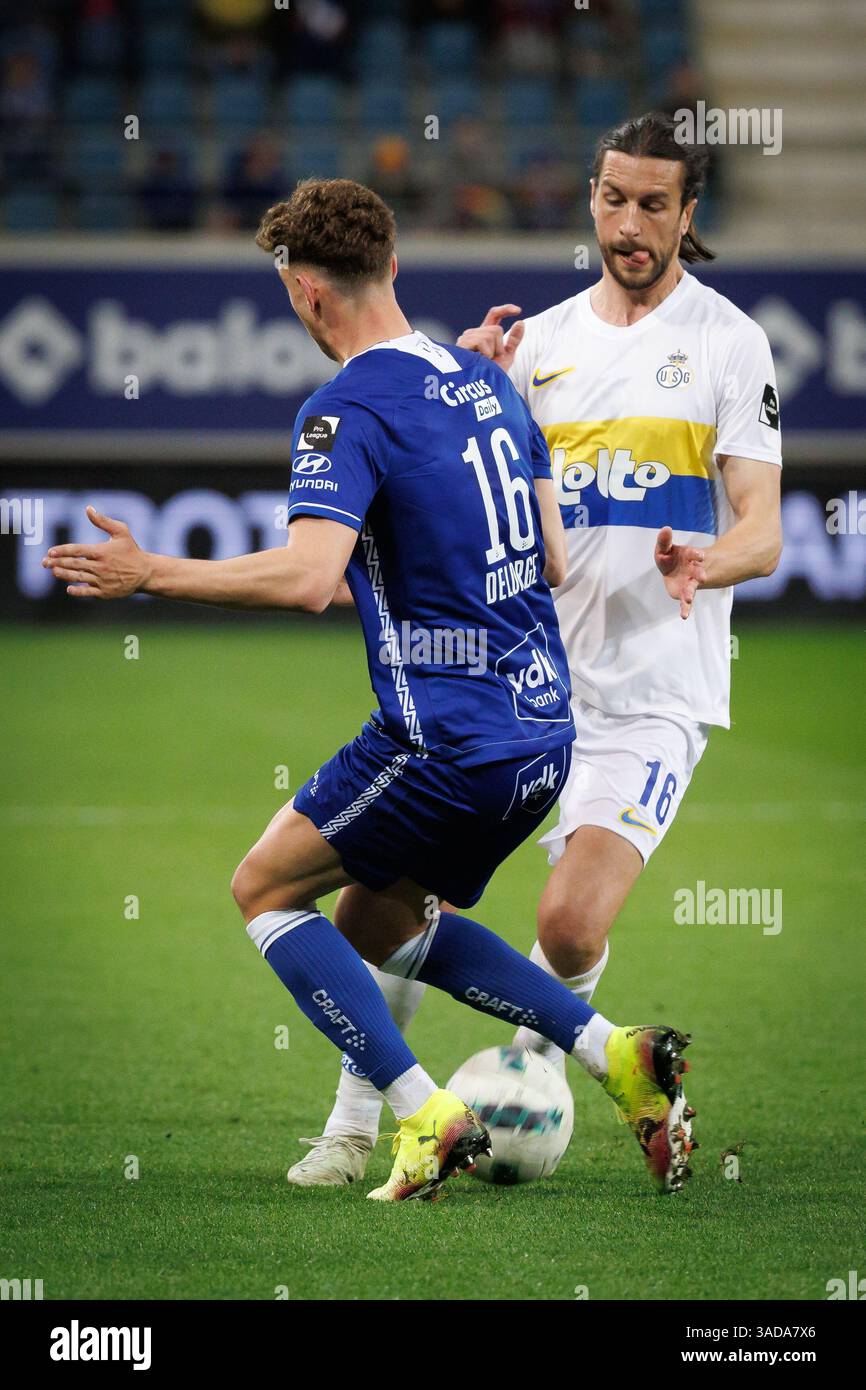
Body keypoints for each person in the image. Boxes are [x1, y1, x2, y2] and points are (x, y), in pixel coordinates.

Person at [43, 177, 696, 1200]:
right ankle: (612, 1051)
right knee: (381, 921)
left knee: (262, 888)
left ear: (306, 295)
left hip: (440, 741)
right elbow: (555, 563)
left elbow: (308, 577)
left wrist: (151, 572)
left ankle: (425, 1115)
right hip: (539, 737)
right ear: (392, 265)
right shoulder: (486, 382)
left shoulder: (341, 409)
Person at [290, 111, 783, 1189]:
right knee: (392, 907)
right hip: (522, 687)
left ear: (686, 214)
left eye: (654, 203)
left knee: (564, 926)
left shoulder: (728, 344)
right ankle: (352, 1124)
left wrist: (707, 560)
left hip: (652, 692)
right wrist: (472, 382)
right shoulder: (542, 344)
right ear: (592, 200)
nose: (628, 222)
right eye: (612, 197)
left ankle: (551, 1061)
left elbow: (765, 527)